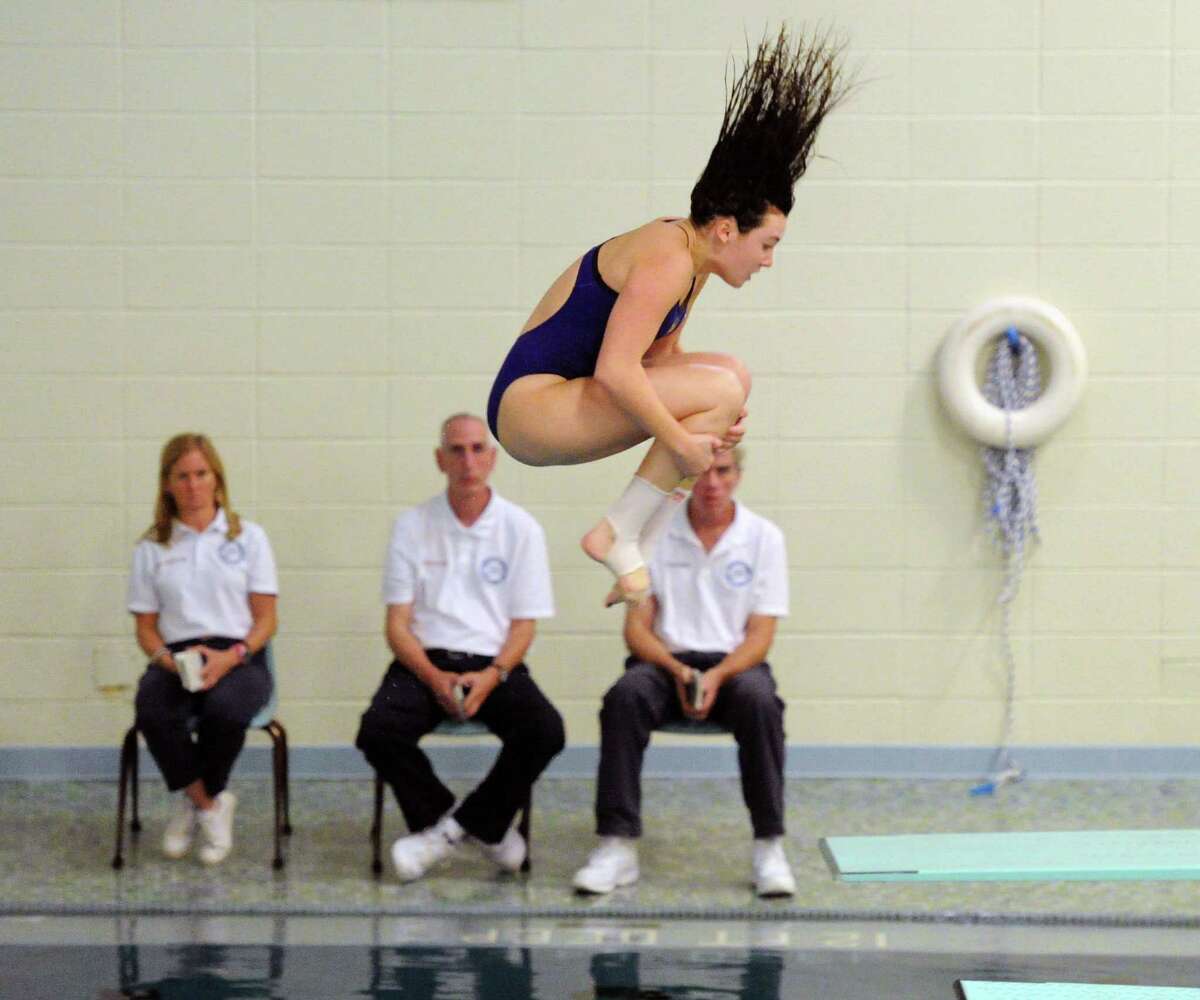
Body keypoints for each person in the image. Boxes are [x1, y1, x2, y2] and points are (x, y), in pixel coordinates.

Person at [487, 27, 847, 604]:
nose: (769, 261)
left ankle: (639, 541)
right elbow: (616, 371)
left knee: (732, 379)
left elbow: (659, 361)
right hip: (527, 411)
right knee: (720, 386)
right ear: (727, 230)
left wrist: (708, 420)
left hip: (561, 398)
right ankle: (616, 534)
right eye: (768, 244)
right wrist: (681, 438)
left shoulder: (694, 262)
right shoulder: (667, 257)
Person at [572, 447, 795, 897]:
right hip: (664, 661)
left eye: (723, 471)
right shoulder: (655, 530)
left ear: (738, 475)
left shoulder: (763, 537)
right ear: (689, 476)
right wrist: (676, 668)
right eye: (703, 471)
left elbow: (760, 635)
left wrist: (715, 676)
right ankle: (617, 844)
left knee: (762, 703)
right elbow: (637, 628)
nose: (712, 482)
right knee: (624, 697)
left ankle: (769, 846)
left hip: (733, 666)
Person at [355, 413, 564, 882]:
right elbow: (398, 625)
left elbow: (524, 627)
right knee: (376, 730)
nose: (468, 460)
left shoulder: (520, 528)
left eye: (477, 449)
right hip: (422, 664)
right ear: (439, 459)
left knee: (546, 730)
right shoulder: (412, 526)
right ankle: (470, 826)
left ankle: (449, 834)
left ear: (492, 458)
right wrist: (435, 677)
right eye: (456, 450)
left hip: (496, 665)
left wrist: (492, 675)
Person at [127, 433, 278, 865]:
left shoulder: (249, 537)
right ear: (167, 484)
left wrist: (233, 656)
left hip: (239, 655)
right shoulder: (152, 546)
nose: (193, 485)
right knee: (152, 711)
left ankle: (195, 802)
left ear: (216, 479)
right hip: (174, 658)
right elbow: (145, 628)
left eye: (201, 474)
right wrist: (169, 662)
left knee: (226, 711)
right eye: (182, 476)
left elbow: (267, 619)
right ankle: (207, 803)